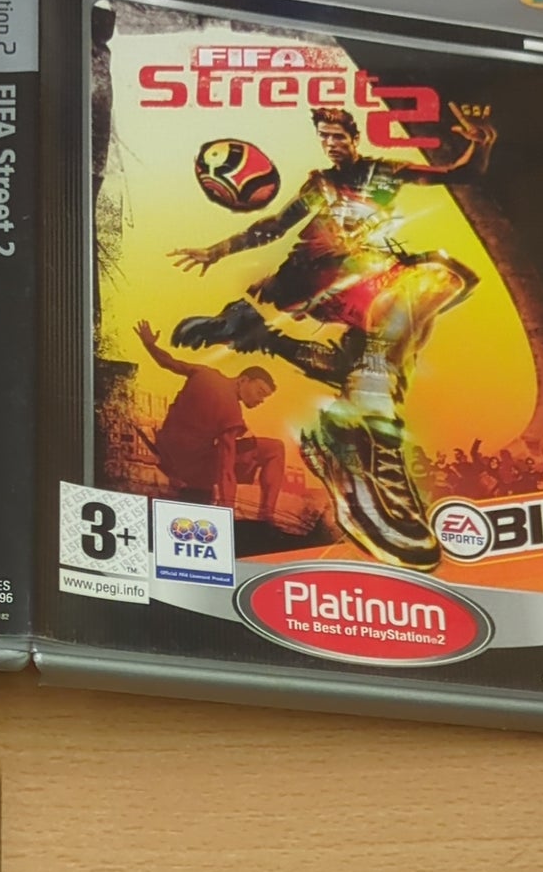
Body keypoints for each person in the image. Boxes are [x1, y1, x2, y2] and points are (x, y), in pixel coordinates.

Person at [168, 101, 495, 566]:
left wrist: (482, 144)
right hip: (318, 275)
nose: (331, 144)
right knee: (414, 302)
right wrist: (217, 250)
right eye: (324, 138)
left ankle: (299, 371)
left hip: (369, 275)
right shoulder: (321, 184)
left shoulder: (386, 173)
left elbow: (461, 175)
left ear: (353, 138)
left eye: (337, 136)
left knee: (428, 298)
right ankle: (366, 435)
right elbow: (273, 227)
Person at [133, 319, 282, 511]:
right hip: (191, 469)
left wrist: (149, 344)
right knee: (275, 448)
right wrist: (228, 508)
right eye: (260, 392)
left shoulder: (205, 372)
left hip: (166, 451)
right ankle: (267, 513)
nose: (260, 400)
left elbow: (168, 362)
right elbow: (226, 467)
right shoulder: (231, 412)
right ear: (243, 380)